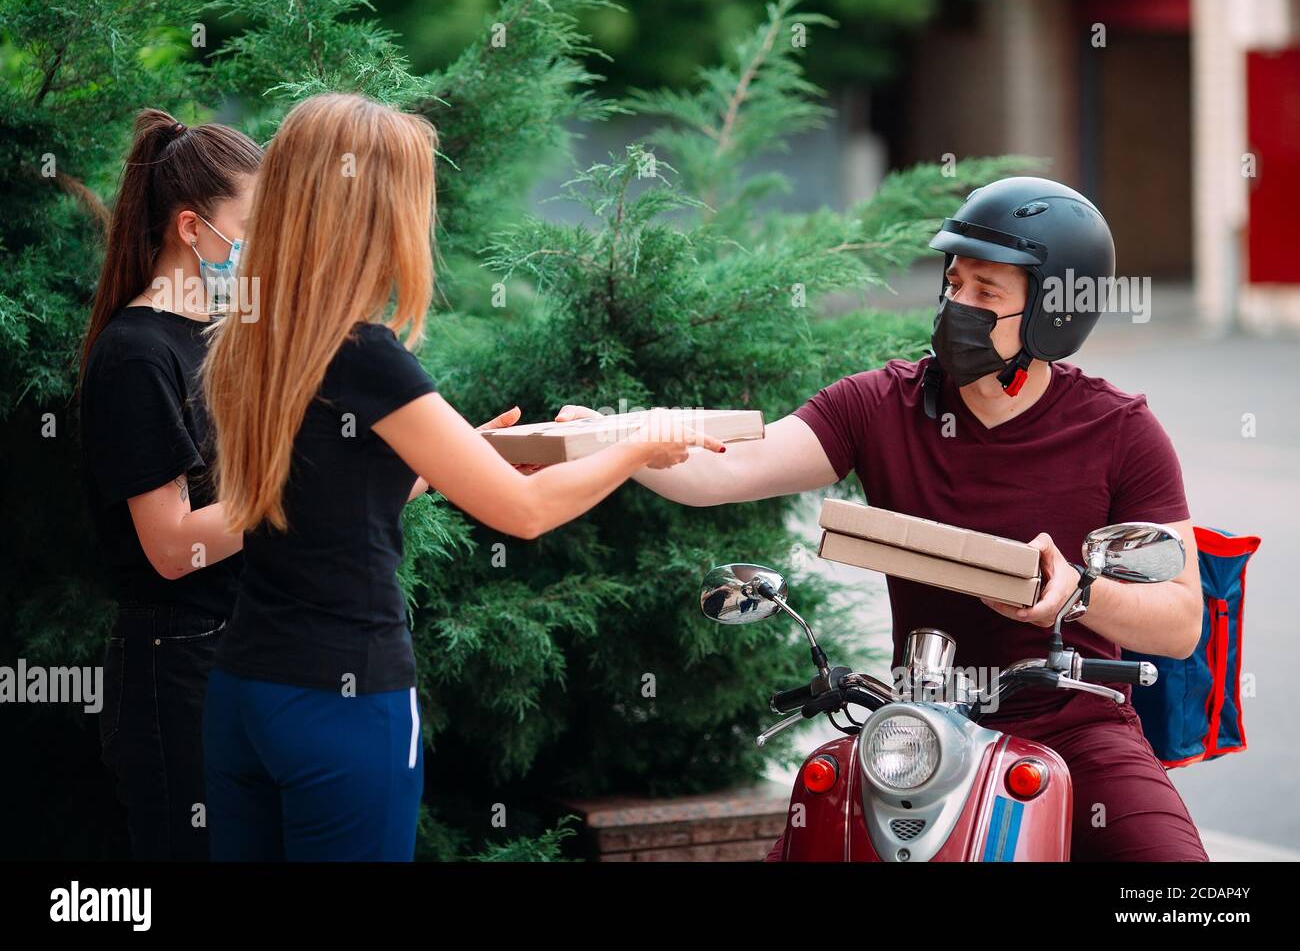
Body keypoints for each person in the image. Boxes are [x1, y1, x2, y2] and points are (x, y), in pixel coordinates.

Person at [555, 177, 1210, 862]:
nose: (959, 304)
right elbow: (723, 471)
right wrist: (617, 440)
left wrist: (1075, 593)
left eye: (987, 293)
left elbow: (1181, 619)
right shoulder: (876, 405)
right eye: (954, 283)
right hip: (916, 729)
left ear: (1053, 313)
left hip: (1073, 724)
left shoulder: (1121, 430)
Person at [199, 92, 722, 861]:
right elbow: (526, 512)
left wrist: (455, 457)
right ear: (374, 216)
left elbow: (319, 494)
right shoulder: (367, 356)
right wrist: (639, 442)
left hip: (245, 695)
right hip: (344, 705)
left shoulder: (250, 337)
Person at [79, 109, 262, 859]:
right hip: (176, 673)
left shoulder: (221, 336)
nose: (266, 249)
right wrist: (300, 493)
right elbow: (171, 546)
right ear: (192, 229)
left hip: (243, 657)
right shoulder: (136, 355)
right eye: (253, 226)